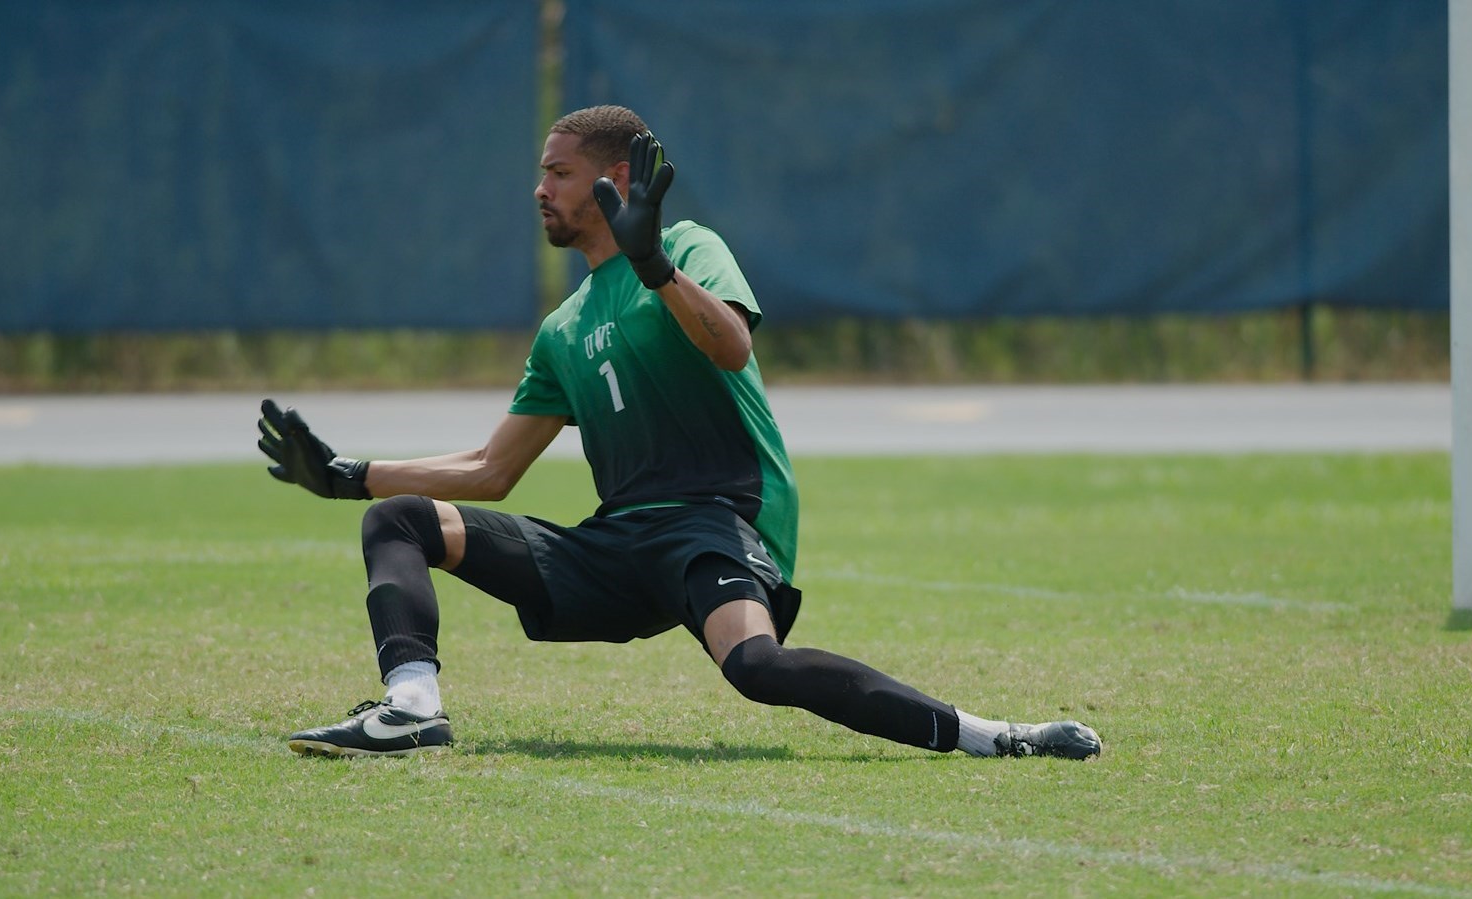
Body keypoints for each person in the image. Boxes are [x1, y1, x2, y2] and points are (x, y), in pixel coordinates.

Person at [257, 105, 1101, 761]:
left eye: (558, 173)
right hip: (617, 546)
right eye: (540, 174)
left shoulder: (690, 246)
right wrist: (345, 473)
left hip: (717, 519)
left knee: (758, 670)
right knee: (398, 518)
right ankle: (411, 709)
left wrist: (656, 264)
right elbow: (490, 468)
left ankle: (996, 734)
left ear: (615, 179)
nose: (540, 190)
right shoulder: (562, 327)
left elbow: (732, 345)